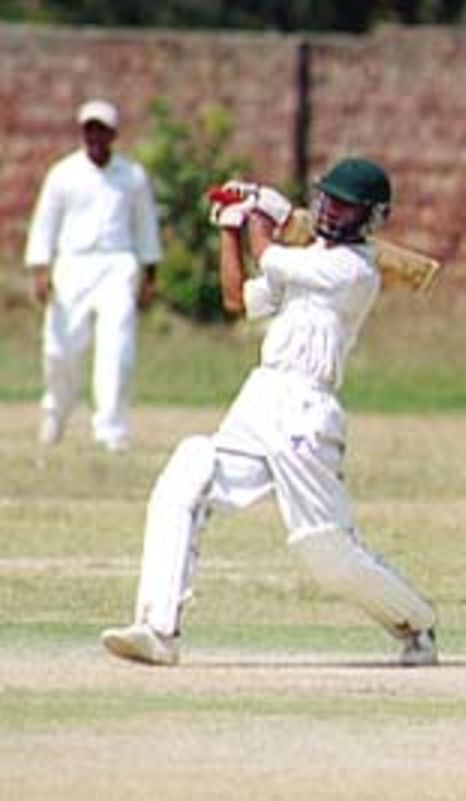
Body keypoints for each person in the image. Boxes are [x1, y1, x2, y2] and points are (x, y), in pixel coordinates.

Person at [100, 158, 438, 667]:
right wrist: (232, 232)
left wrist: (264, 215)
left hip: (307, 409)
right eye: (328, 199)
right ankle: (157, 629)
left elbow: (273, 258)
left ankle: (417, 624)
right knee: (188, 473)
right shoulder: (308, 256)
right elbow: (240, 298)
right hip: (261, 394)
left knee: (323, 551)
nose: (330, 210)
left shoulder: (355, 269)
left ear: (370, 219)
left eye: (345, 205)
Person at [24, 99, 162, 453]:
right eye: (89, 129)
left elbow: (146, 225)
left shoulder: (132, 176)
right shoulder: (63, 174)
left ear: (114, 134)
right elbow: (45, 223)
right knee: (60, 348)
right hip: (72, 265)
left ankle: (112, 430)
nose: (95, 136)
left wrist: (150, 274)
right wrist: (40, 269)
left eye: (102, 129)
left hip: (118, 265)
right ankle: (56, 410)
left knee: (117, 349)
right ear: (82, 131)